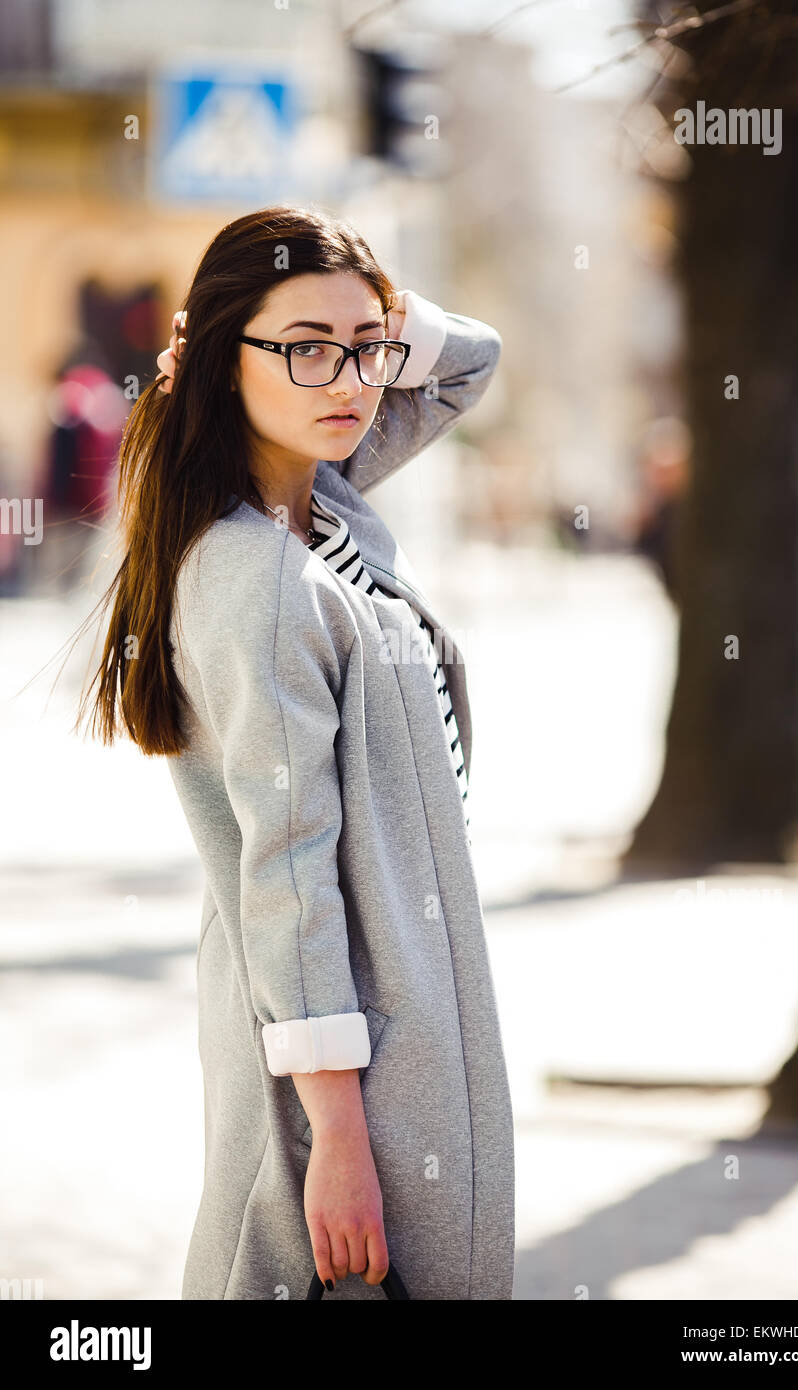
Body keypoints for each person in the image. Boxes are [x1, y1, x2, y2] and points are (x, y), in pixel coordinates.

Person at [75, 205, 514, 1300]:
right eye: (305, 347)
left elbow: (471, 364)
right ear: (226, 361)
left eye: (364, 348)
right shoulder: (258, 578)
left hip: (403, 1019)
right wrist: (338, 1144)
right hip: (354, 1059)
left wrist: (369, 304)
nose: (348, 379)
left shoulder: (319, 503)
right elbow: (289, 866)